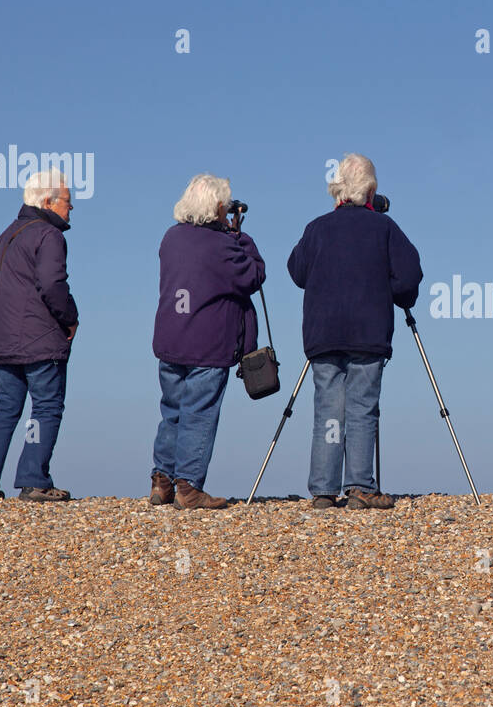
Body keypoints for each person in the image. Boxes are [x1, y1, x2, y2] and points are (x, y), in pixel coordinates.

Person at [287, 153, 422, 510]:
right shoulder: (384, 228)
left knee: (329, 409)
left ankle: (323, 490)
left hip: (323, 333)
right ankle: (360, 486)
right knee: (362, 408)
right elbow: (409, 276)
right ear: (372, 190)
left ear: (337, 191)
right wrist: (389, 291)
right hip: (368, 331)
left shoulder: (316, 228)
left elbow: (297, 271)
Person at [151, 173, 266, 510]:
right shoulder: (223, 245)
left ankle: (162, 481)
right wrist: (239, 234)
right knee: (199, 414)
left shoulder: (170, 238)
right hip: (208, 343)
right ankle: (189, 487)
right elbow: (254, 274)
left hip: (170, 338)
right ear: (218, 207)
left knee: (172, 410)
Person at [0, 169, 79, 503]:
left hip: (4, 341)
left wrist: (5, 306)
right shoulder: (49, 236)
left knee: (5, 408)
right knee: (45, 407)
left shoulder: (12, 234)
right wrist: (70, 319)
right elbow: (52, 284)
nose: (71, 210)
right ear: (48, 201)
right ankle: (33, 480)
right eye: (68, 203)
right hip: (42, 341)